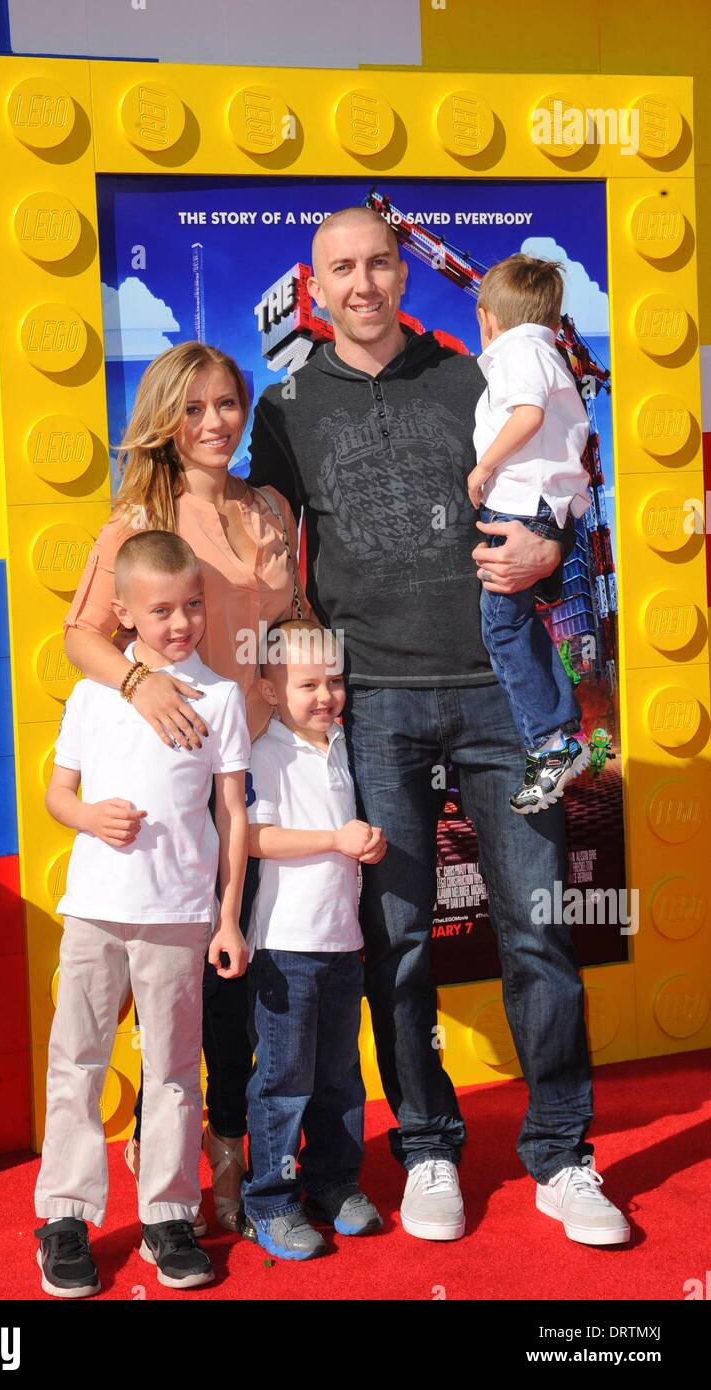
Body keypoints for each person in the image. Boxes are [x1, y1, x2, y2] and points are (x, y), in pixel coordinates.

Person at [247, 205, 629, 1247]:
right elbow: (255, 538)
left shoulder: (474, 373)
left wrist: (553, 552)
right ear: (314, 287)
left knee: (540, 931)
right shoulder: (283, 407)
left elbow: (577, 478)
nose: (362, 282)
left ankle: (559, 1153)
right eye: (341, 268)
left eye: (378, 262)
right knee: (398, 941)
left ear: (400, 275)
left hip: (501, 696)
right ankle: (425, 1143)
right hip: (370, 702)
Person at [63, 341, 309, 1233]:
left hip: (275, 762)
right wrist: (142, 683)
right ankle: (211, 1160)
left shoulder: (272, 506)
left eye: (228, 405)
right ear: (168, 418)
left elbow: (293, 620)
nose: (216, 423)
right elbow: (82, 636)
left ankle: (256, 1151)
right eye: (196, 407)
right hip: (185, 775)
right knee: (205, 976)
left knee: (273, 964)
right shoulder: (137, 516)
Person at [34, 531, 249, 1295]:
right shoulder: (95, 695)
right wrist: (91, 818)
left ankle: (166, 1215)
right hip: (94, 911)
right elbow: (58, 795)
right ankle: (64, 1217)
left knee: (172, 1074)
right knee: (78, 1064)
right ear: (121, 612)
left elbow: (232, 816)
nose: (180, 622)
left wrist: (227, 918)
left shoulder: (220, 698)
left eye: (192, 605)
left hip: (180, 917)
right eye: (160, 609)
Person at [242, 619, 386, 1259]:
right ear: (271, 690)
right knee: (282, 1079)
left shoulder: (346, 748)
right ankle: (271, 1199)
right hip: (284, 949)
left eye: (334, 681)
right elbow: (254, 840)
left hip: (341, 943)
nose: (325, 695)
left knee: (339, 1076)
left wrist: (367, 841)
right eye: (308, 684)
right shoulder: (265, 753)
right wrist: (336, 839)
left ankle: (333, 1182)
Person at [468, 253, 592, 814]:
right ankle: (559, 735)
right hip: (544, 509)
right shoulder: (547, 352)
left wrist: (483, 466)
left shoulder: (518, 350)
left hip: (525, 506)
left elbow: (528, 416)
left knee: (501, 629)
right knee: (514, 624)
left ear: (488, 316)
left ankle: (550, 745)